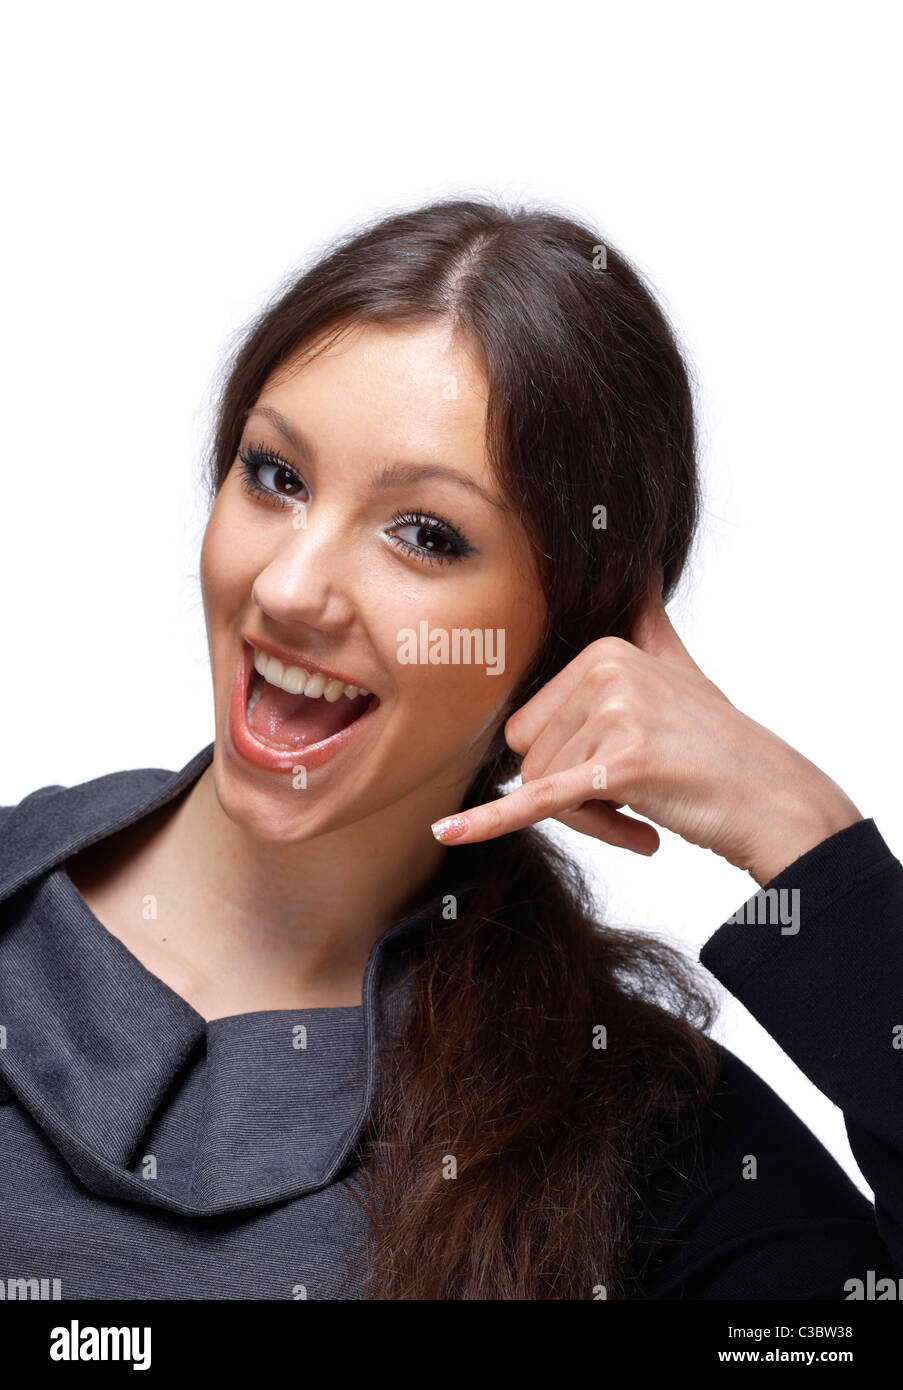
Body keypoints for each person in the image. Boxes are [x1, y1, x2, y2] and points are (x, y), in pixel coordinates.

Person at [0, 197, 899, 1301]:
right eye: (276, 475)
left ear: (572, 636)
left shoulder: (633, 1137)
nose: (287, 588)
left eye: (425, 533)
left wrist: (807, 838)